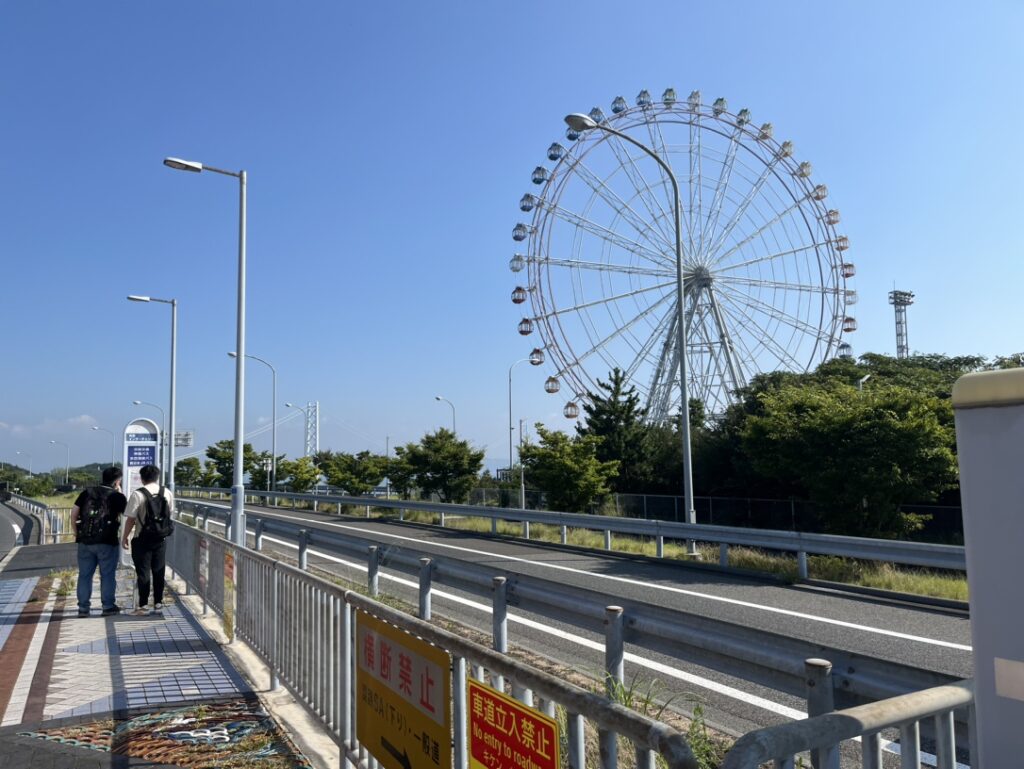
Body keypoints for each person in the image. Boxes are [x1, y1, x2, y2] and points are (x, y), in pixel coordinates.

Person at [72, 466, 127, 617]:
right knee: (107, 574)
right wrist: (119, 492)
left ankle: (83, 608)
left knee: (84, 575)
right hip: (107, 541)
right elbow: (127, 514)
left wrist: (77, 534)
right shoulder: (117, 496)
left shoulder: (86, 493)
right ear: (117, 481)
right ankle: (108, 607)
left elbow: (74, 514)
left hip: (85, 541)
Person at [120, 464, 175, 615]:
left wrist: (124, 537)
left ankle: (143, 605)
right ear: (157, 477)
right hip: (160, 538)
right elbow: (169, 514)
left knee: (143, 572)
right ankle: (158, 602)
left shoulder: (138, 494)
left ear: (142, 478)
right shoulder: (167, 493)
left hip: (141, 538)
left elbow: (130, 519)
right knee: (159, 570)